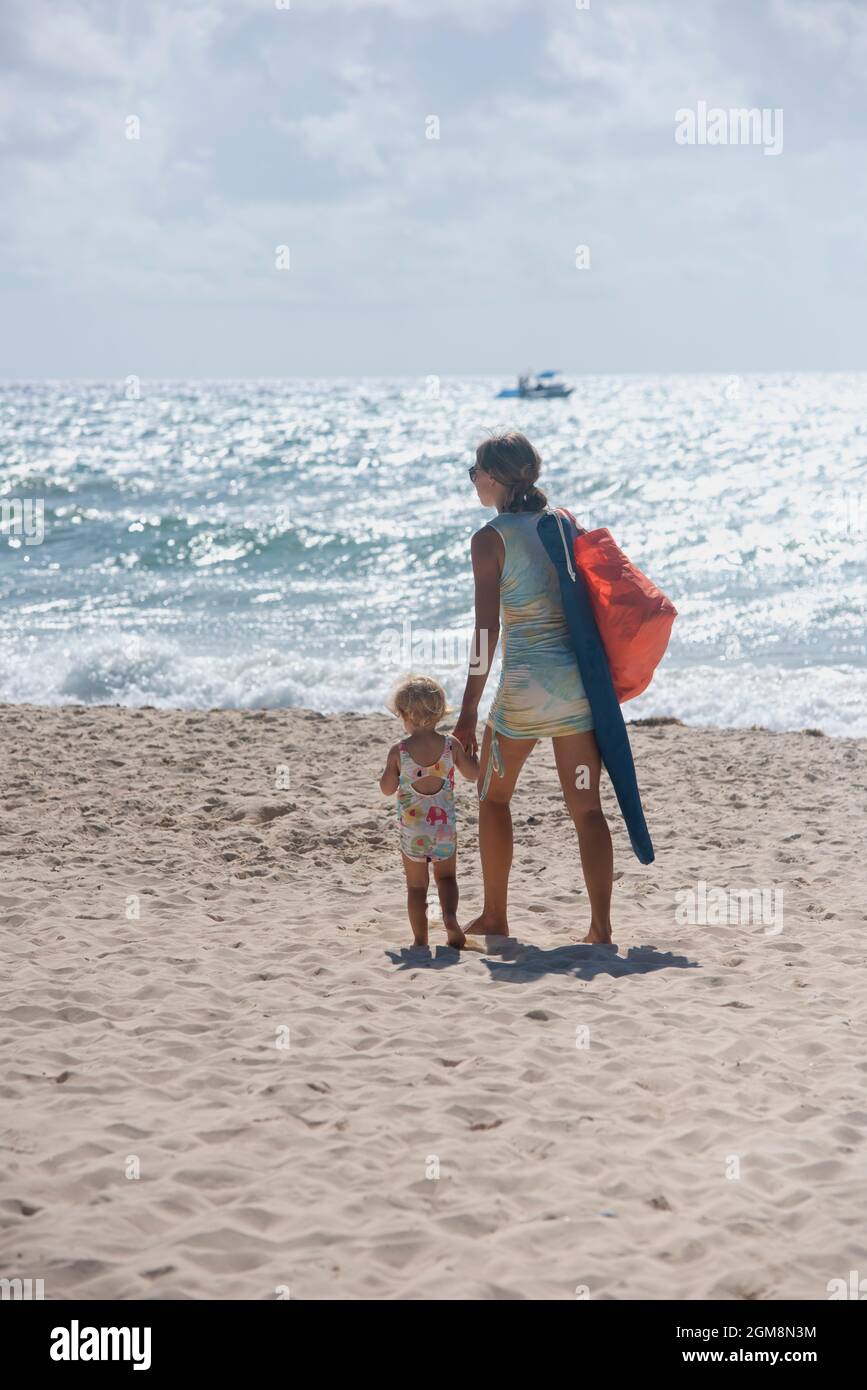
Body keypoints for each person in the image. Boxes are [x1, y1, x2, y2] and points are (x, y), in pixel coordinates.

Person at [452, 431, 614, 943]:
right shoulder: (561, 527)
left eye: (474, 471)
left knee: (492, 797)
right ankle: (601, 928)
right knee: (587, 807)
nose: (472, 480)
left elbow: (485, 633)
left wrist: (468, 711)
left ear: (494, 477)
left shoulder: (489, 539)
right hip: (575, 692)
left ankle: (496, 916)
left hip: (522, 695)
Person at [380, 674, 479, 948]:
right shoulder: (450, 746)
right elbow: (473, 774)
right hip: (444, 829)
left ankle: (420, 939)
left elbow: (387, 789)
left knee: (416, 887)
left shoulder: (399, 751)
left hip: (413, 832)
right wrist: (474, 757)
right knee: (446, 878)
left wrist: (388, 775)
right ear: (438, 713)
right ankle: (449, 919)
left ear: (405, 715)